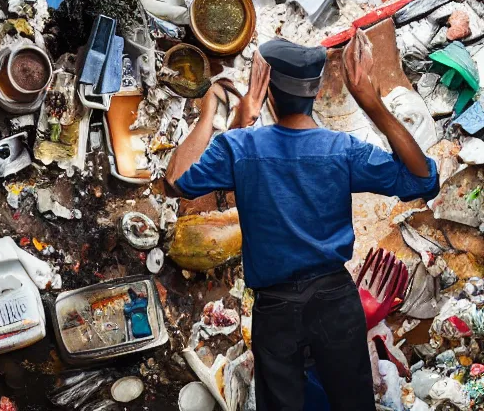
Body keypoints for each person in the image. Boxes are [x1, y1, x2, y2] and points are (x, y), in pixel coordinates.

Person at [165, 35, 439, 411]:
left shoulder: (241, 147)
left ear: (269, 95)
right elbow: (423, 180)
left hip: (275, 311)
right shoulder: (342, 150)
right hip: (336, 302)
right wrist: (369, 101)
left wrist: (218, 113)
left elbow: (175, 179)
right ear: (313, 94)